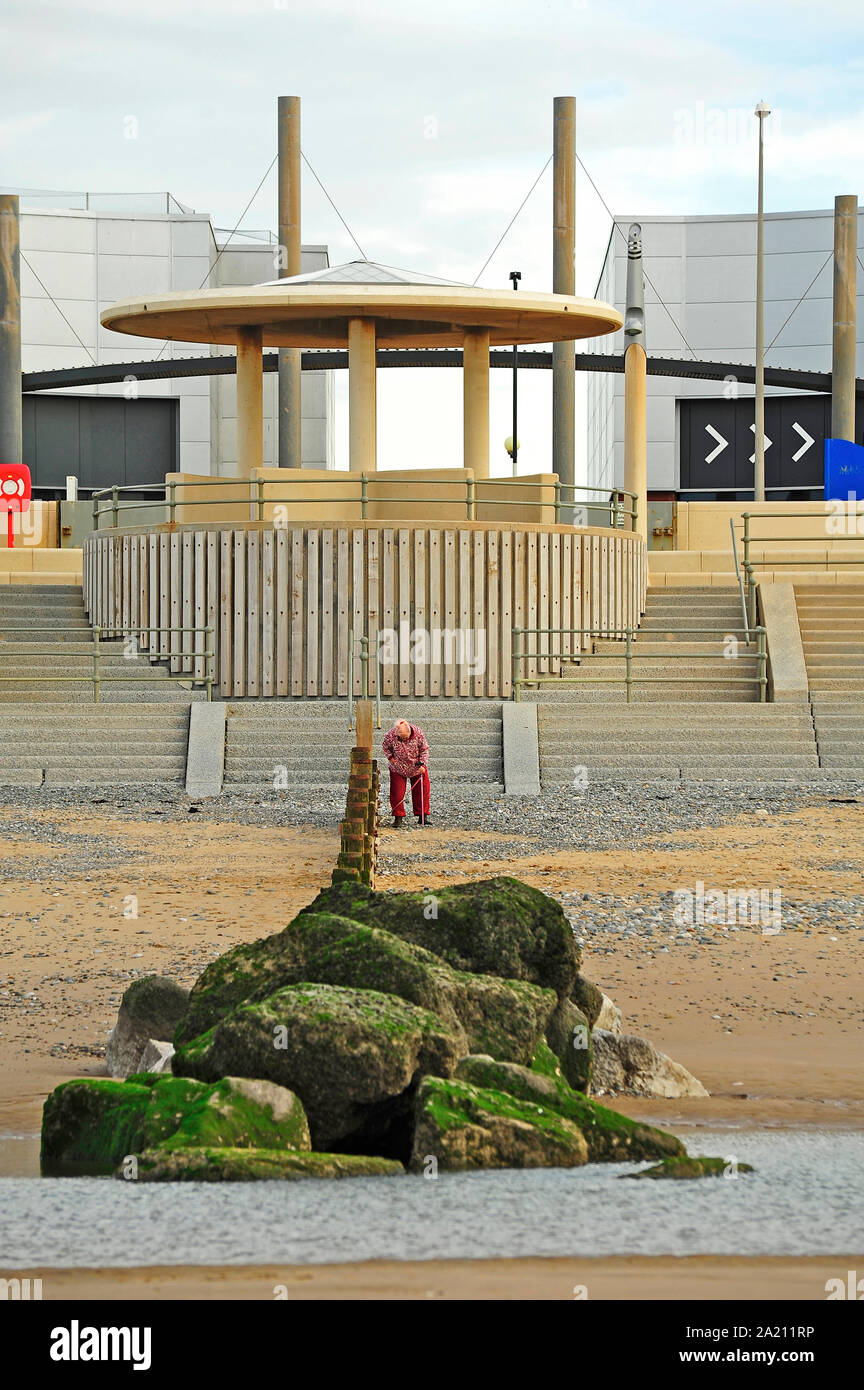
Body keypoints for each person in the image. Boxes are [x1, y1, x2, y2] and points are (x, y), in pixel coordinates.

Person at [382, 718, 430, 828]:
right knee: (397, 793)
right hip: (398, 767)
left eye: (406, 737)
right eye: (401, 738)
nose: (404, 739)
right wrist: (391, 758)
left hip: (417, 766)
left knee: (422, 791)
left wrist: (423, 764)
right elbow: (385, 747)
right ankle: (398, 817)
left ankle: (422, 816)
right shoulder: (390, 735)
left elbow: (424, 749)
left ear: (409, 731)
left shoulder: (418, 733)